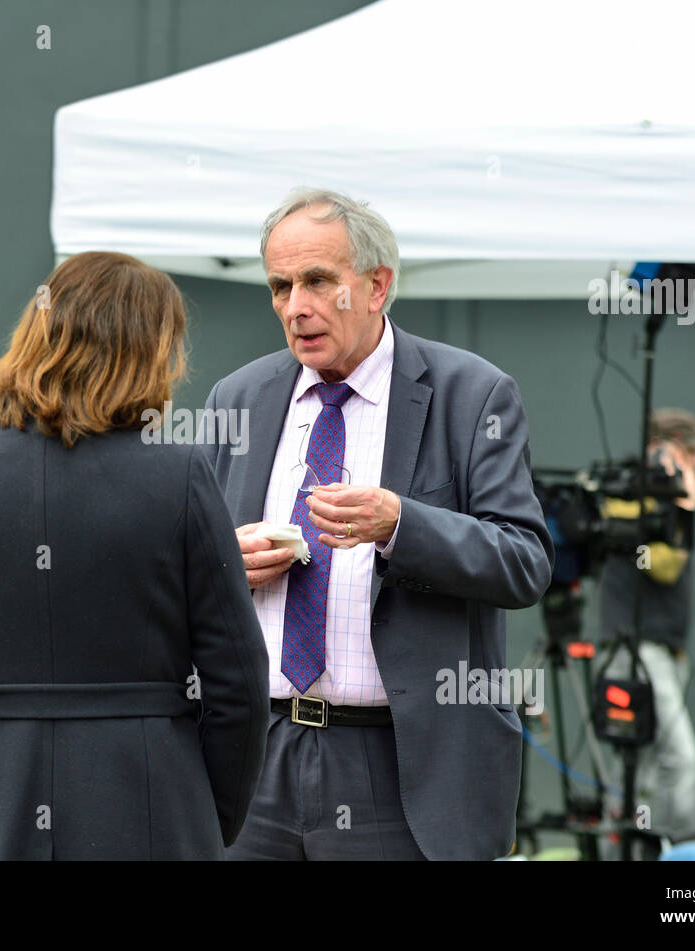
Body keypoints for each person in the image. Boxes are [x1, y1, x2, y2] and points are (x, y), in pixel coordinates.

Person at [0, 251, 269, 860]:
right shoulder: (181, 476)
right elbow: (237, 683)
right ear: (148, 351)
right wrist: (201, 813)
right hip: (151, 800)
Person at [201, 188, 554, 860]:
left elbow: (525, 560)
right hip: (258, 757)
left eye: (316, 281)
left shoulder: (471, 393)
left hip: (401, 767)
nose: (295, 306)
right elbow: (189, 572)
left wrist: (400, 524)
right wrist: (224, 564)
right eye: (279, 286)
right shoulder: (237, 398)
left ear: (376, 286)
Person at [598, 407, 695, 841]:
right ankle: (679, 856)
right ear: (669, 448)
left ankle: (643, 851)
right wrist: (684, 504)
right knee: (678, 763)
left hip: (661, 648)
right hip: (637, 650)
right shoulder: (635, 492)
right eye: (692, 453)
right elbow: (662, 565)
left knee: (638, 769)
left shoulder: (657, 496)